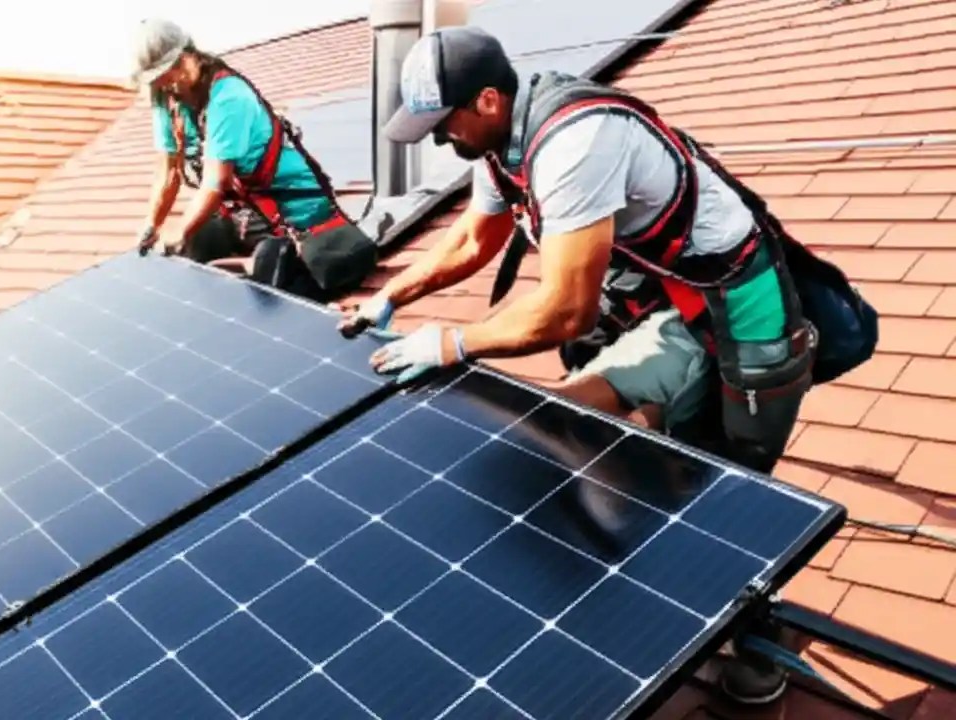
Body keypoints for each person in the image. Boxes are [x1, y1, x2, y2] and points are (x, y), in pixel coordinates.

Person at [337, 25, 875, 705]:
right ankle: (640, 575)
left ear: (489, 101)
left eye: (445, 125)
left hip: (748, 313)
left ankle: (754, 643)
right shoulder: (504, 145)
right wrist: (391, 294)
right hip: (679, 313)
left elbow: (566, 310)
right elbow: (477, 237)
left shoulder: (574, 142)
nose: (443, 140)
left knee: (730, 490)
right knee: (568, 413)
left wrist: (452, 342)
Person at [130, 18, 376, 300]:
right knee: (199, 240)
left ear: (183, 61)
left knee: (273, 273)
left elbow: (215, 182)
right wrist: (153, 224)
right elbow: (168, 172)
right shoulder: (166, 98)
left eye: (161, 77)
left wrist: (180, 232)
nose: (158, 86)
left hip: (295, 214)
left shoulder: (227, 97)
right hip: (246, 214)